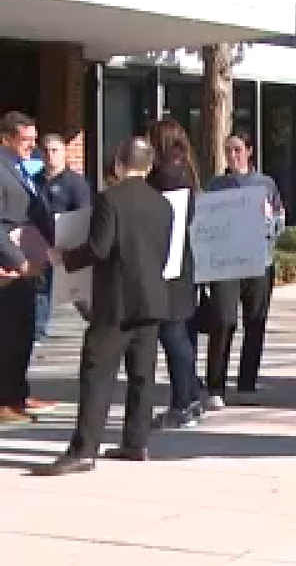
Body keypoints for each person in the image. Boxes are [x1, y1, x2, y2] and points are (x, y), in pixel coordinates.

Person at [32, 137, 173, 476]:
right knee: (142, 375)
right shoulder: (164, 205)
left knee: (97, 373)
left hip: (116, 302)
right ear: (149, 166)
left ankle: (84, 450)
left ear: (119, 165)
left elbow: (98, 248)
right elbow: (166, 252)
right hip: (152, 299)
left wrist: (64, 257)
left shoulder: (110, 200)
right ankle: (136, 442)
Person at [203, 132, 285, 405]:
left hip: (260, 262)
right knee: (223, 320)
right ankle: (216, 386)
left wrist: (269, 219)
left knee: (255, 322)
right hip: (226, 265)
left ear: (249, 151)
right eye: (228, 150)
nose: (233, 155)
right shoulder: (215, 186)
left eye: (238, 150)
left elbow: (280, 224)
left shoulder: (266, 184)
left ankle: (247, 384)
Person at [146, 119, 205, 430]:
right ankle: (191, 398)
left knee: (173, 337)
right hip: (182, 263)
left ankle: (182, 404)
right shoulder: (187, 171)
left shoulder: (165, 176)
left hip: (168, 264)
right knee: (180, 336)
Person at [0, 111, 52, 424]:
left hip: (31, 261)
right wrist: (17, 261)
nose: (32, 146)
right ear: (6, 139)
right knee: (7, 333)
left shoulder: (24, 169)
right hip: (9, 264)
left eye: (34, 139)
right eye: (25, 140)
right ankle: (4, 398)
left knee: (24, 331)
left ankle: (18, 393)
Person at [34, 133, 92, 343]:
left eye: (55, 150)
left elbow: (83, 214)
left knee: (79, 294)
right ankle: (38, 332)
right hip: (41, 244)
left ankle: (99, 323)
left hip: (68, 246)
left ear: (65, 153)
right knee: (41, 290)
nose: (50, 156)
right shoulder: (35, 181)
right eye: (46, 151)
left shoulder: (75, 184)